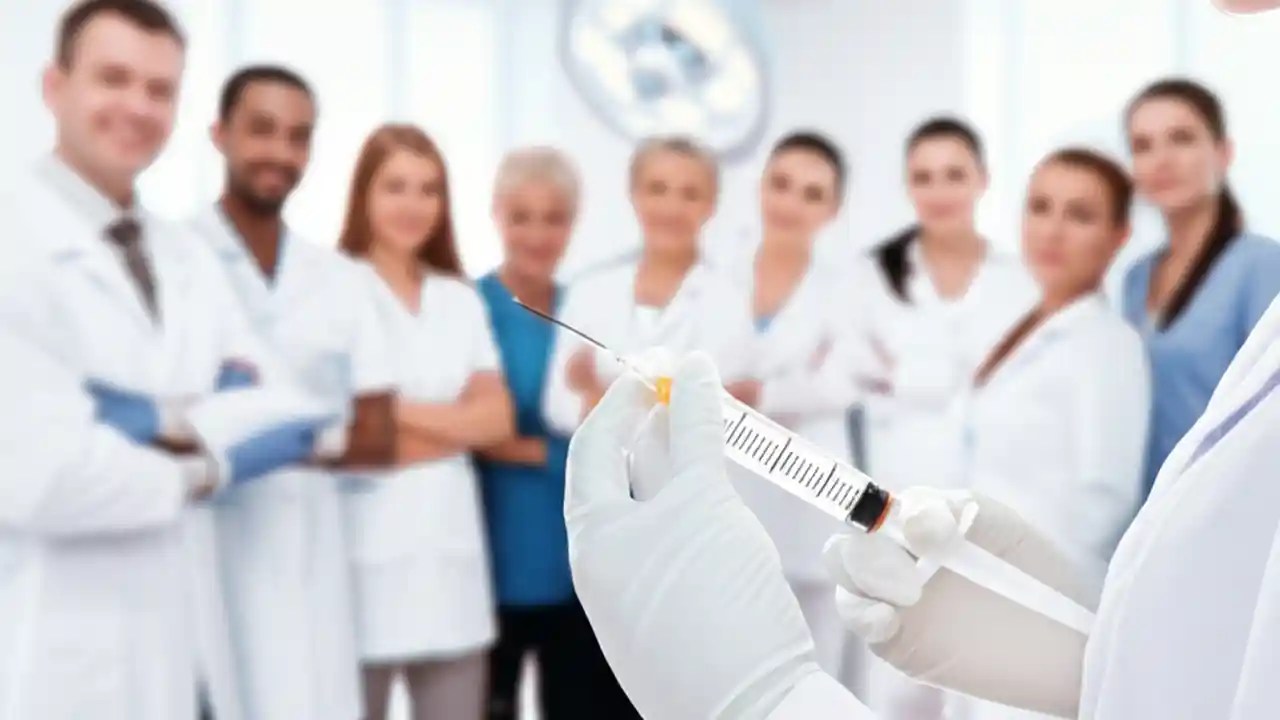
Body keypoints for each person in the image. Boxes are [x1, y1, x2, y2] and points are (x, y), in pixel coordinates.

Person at [0, 3, 329, 718]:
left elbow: (284, 400)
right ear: (55, 86)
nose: (138, 107)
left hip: (188, 640)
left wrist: (140, 416)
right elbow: (47, 477)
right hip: (61, 651)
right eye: (113, 79)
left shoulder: (183, 255)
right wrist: (208, 460)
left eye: (159, 89)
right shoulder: (13, 243)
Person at [190, 66, 397, 720]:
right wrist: (319, 431)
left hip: (312, 560)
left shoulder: (340, 280)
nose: (280, 152)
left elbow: (379, 436)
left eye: (298, 136)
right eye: (261, 130)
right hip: (204, 553)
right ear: (219, 134)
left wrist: (275, 435)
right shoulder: (173, 260)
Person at [947, 148, 1150, 719]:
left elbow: (1104, 501)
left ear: (1118, 235)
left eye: (1080, 215)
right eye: (1040, 207)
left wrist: (1035, 602)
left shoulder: (1107, 345)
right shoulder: (1022, 325)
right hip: (977, 595)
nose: (1053, 230)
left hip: (1041, 610)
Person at [858, 117, 1036, 718]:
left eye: (954, 174)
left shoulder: (1021, 282)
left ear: (983, 180)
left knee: (983, 682)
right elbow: (859, 378)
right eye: (923, 177)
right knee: (897, 678)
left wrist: (911, 377)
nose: (939, 191)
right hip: (898, 499)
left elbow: (1023, 393)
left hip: (993, 503)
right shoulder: (872, 278)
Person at [339, 124, 514, 720]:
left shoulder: (458, 299)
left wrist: (387, 411)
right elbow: (340, 435)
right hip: (359, 558)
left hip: (450, 566)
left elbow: (498, 420)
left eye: (428, 189)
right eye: (395, 187)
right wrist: (453, 426)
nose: (414, 205)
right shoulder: (333, 287)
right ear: (363, 193)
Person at [476, 147, 632, 718]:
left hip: (577, 552)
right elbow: (474, 428)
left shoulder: (587, 306)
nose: (537, 235)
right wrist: (554, 449)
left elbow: (621, 414)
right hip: (499, 545)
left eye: (554, 218)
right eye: (521, 217)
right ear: (495, 215)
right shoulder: (473, 307)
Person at [720, 131, 865, 684]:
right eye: (780, 185)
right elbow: (698, 365)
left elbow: (843, 380)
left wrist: (760, 393)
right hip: (736, 484)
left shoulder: (848, 288)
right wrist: (790, 380)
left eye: (811, 193)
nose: (791, 204)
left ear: (832, 209)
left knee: (813, 667)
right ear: (761, 188)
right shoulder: (715, 276)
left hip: (813, 491)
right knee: (734, 664)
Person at [1119, 78, 1280, 495]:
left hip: (1229, 502)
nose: (1162, 160)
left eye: (1182, 138)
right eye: (1143, 145)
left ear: (1223, 153)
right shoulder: (1136, 279)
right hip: (1154, 504)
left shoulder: (1261, 265)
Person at [543, 136, 755, 441]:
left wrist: (598, 389)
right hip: (598, 478)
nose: (672, 208)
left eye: (690, 194)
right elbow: (558, 405)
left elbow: (723, 415)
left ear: (711, 204)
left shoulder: (731, 301)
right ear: (634, 194)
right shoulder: (589, 291)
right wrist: (670, 400)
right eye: (657, 189)